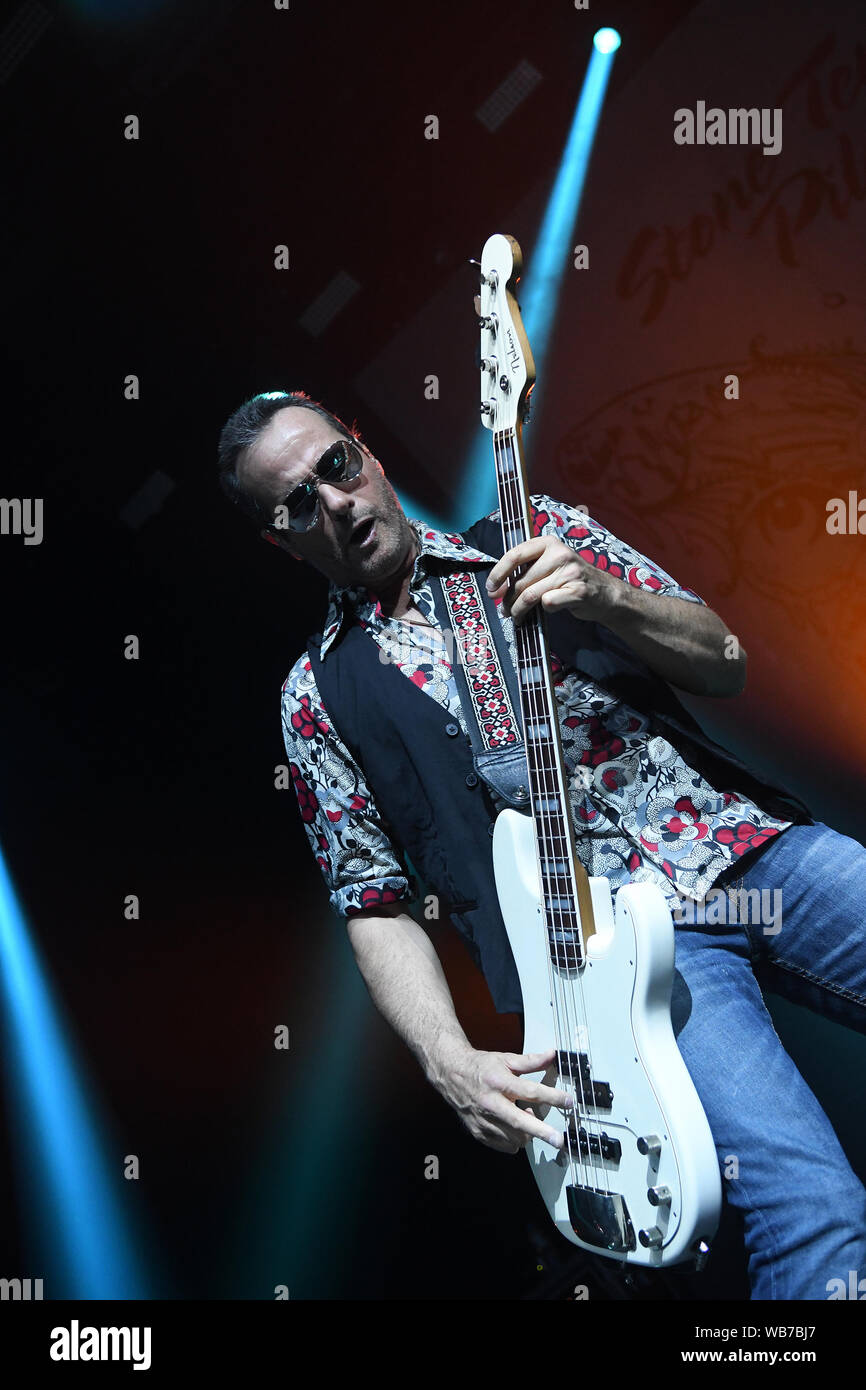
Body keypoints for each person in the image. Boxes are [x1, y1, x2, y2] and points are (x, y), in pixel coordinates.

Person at [217, 388, 866, 1300]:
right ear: (280, 540)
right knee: (813, 1213)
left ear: (366, 452)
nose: (334, 502)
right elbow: (372, 904)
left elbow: (725, 658)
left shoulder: (533, 532)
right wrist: (447, 1057)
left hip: (749, 852)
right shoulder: (316, 698)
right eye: (296, 504)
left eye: (335, 466)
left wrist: (606, 597)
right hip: (626, 967)